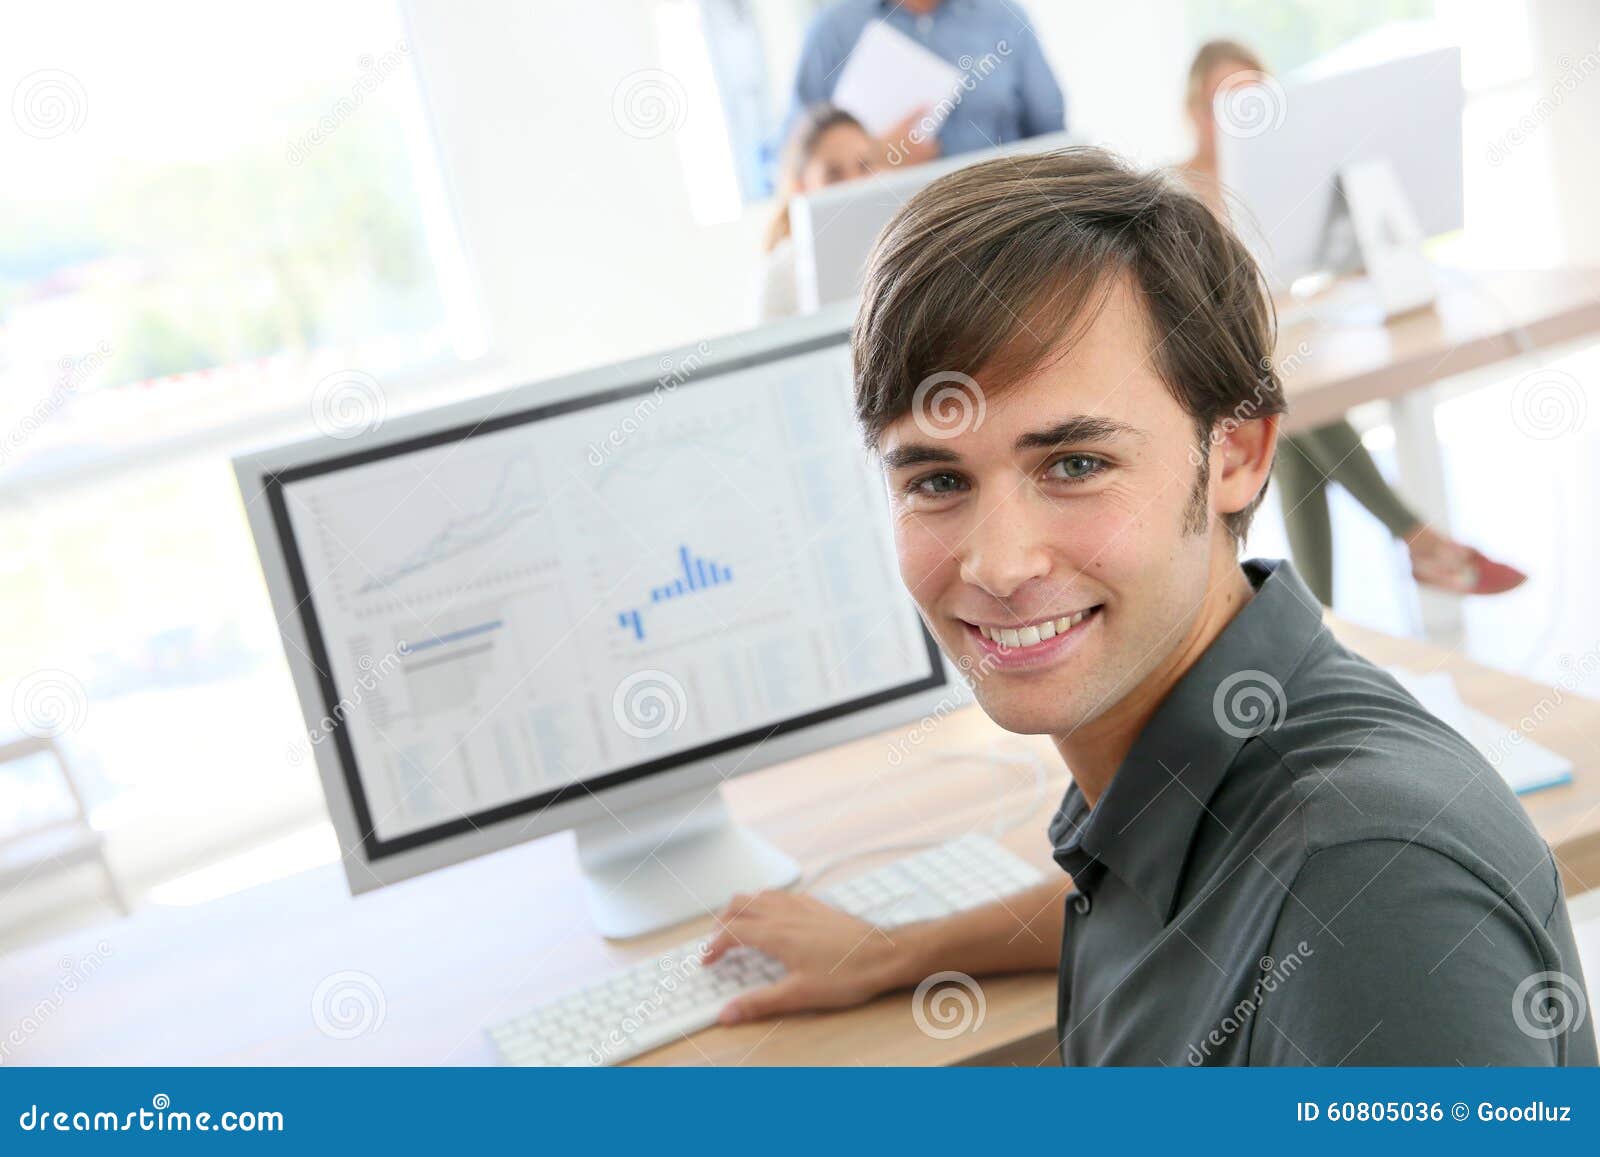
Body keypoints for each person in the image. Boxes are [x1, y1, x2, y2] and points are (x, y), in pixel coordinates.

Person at [701, 147, 1595, 1066]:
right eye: (936, 478)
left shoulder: (1371, 892)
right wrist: (900, 952)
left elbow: (1295, 917)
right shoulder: (1185, 786)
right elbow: (1185, 909)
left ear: (1239, 453)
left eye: (1076, 465)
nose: (1001, 564)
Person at [1180, 39, 1526, 605]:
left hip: (1282, 354)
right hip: (1220, 367)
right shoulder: (1178, 189)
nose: (1245, 116)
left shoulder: (1281, 178)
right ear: (1197, 111)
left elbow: (1307, 272)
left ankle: (1320, 616)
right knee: (1287, 405)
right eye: (1229, 101)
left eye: (1255, 99)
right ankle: (1417, 537)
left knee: (1291, 422)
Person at [783, 0, 1065, 172]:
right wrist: (871, 158)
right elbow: (795, 162)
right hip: (885, 227)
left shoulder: (1005, 17)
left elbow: (1053, 136)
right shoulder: (833, 31)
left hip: (1000, 220)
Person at [756, 105, 879, 322]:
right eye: (833, 174)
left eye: (865, 167)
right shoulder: (781, 274)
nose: (855, 185)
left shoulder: (900, 245)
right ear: (800, 187)